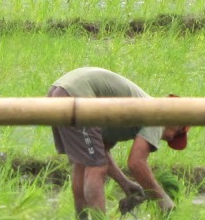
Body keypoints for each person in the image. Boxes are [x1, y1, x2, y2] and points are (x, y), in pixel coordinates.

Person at [47, 66, 187, 218]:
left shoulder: (131, 117)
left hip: (60, 90)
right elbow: (136, 163)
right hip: (79, 94)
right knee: (96, 167)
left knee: (83, 163)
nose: (170, 138)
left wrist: (125, 182)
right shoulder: (159, 115)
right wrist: (164, 201)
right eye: (177, 133)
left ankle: (81, 218)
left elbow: (101, 151)